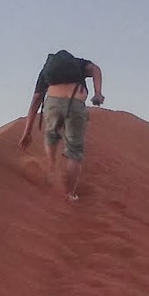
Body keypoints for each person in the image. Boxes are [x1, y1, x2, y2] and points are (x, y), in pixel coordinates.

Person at [18, 50, 104, 201]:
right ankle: (70, 194)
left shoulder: (46, 71)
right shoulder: (79, 64)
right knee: (74, 150)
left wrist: (27, 131)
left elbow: (36, 100)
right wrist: (98, 93)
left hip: (53, 103)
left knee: (51, 136)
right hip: (76, 102)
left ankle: (52, 167)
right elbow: (96, 69)